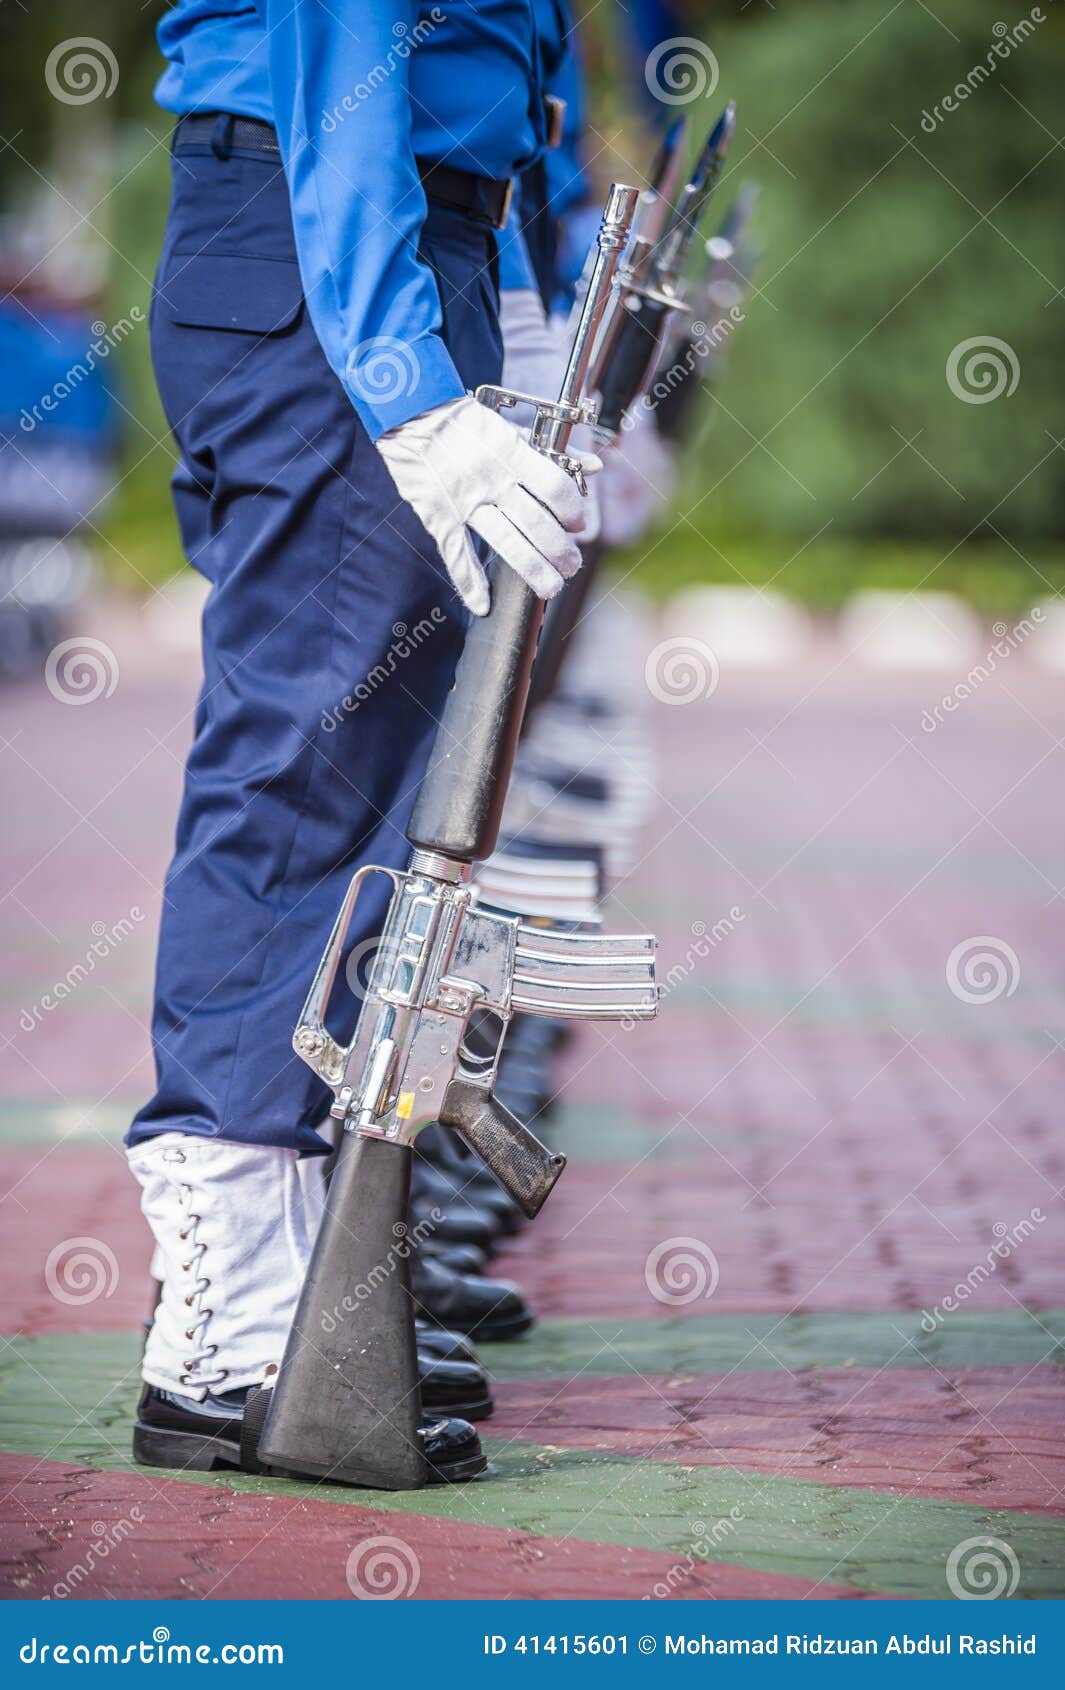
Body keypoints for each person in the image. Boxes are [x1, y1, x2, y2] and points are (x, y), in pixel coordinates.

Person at [125, 0, 599, 1483]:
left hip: (404, 243)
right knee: (299, 781)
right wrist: (406, 376)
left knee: (378, 797)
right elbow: (343, 58)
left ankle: (303, 1279)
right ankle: (223, 1339)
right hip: (337, 243)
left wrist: (516, 284)